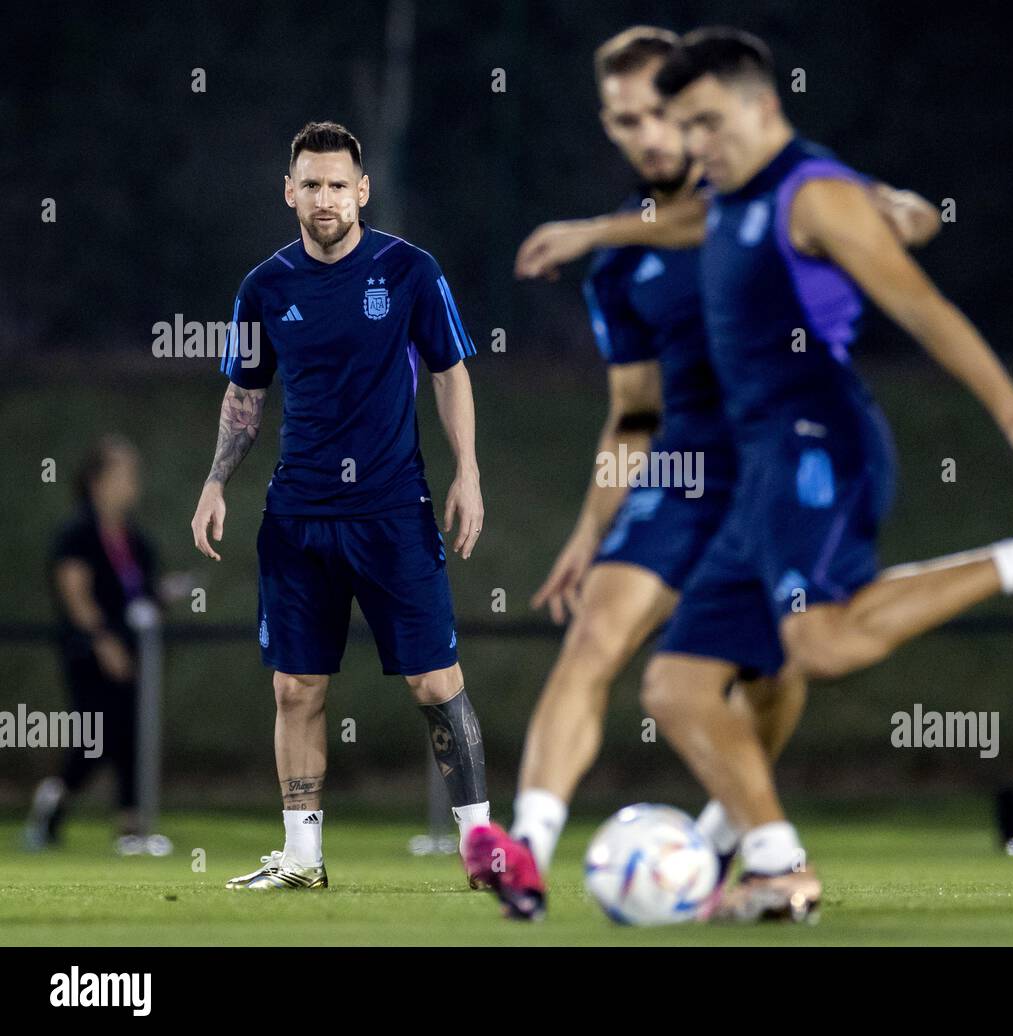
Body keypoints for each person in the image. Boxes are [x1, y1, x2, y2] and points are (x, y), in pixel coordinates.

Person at [513, 28, 1013, 922]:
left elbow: (922, 305)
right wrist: (596, 230)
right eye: (681, 127)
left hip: (817, 441)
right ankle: (779, 871)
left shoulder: (813, 193)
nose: (695, 146)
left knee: (813, 644)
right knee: (677, 685)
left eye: (705, 124)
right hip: (755, 467)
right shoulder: (728, 196)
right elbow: (681, 224)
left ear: (763, 106)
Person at [467, 27, 942, 921]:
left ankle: (727, 844)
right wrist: (587, 530)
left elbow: (887, 208)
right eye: (622, 120)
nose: (646, 135)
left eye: (657, 113)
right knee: (594, 638)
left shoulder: (766, 189)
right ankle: (525, 850)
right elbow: (634, 413)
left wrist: (907, 209)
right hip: (683, 465)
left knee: (769, 675)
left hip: (781, 455)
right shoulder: (618, 266)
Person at [190, 121, 488, 890]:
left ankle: (484, 852)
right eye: (310, 185)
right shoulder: (265, 286)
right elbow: (244, 394)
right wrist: (216, 481)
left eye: (337, 184)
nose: (324, 198)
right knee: (296, 687)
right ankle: (301, 859)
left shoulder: (411, 271)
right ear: (290, 193)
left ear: (362, 191)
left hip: (393, 509)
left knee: (434, 682)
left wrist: (469, 473)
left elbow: (451, 372)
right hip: (298, 516)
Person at [25, 435, 170, 853]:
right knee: (97, 734)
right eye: (123, 474)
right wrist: (102, 641)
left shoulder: (136, 540)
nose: (132, 483)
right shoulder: (77, 533)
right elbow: (75, 592)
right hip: (89, 653)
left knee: (132, 732)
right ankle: (53, 800)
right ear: (97, 480)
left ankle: (131, 829)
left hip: (133, 653)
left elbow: (143, 593)